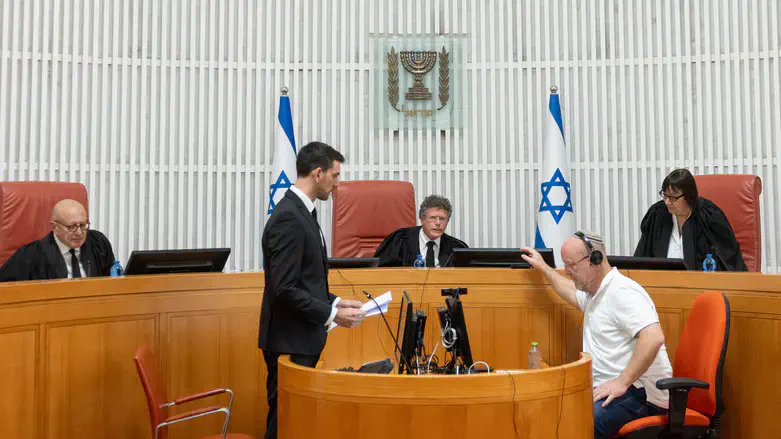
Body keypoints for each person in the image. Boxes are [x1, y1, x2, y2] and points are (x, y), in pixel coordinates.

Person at [258, 141, 366, 439]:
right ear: (318, 173)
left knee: (296, 422)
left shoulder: (305, 212)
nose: (338, 183)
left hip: (300, 338)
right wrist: (331, 313)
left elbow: (307, 280)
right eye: (335, 175)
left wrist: (338, 301)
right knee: (284, 422)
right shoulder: (290, 217)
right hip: (289, 341)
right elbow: (285, 288)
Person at [521, 232, 673, 439]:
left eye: (571, 265)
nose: (567, 272)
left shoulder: (623, 292)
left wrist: (622, 381)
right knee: (552, 414)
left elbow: (653, 337)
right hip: (615, 390)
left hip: (641, 394)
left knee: (576, 424)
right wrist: (543, 267)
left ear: (595, 259)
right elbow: (570, 292)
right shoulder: (596, 293)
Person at [634, 168, 747, 271]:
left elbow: (728, 261)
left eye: (673, 197)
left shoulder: (709, 217)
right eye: (665, 195)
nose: (667, 202)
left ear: (688, 196)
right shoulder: (657, 215)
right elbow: (641, 258)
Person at [0, 199, 115, 281]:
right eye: (72, 227)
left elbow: (113, 282)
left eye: (83, 225)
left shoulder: (98, 243)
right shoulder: (31, 255)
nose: (79, 233)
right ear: (55, 227)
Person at [373, 195, 468, 267]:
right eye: (433, 218)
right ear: (422, 219)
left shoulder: (456, 248)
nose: (438, 223)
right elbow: (380, 272)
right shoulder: (400, 240)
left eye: (442, 219)